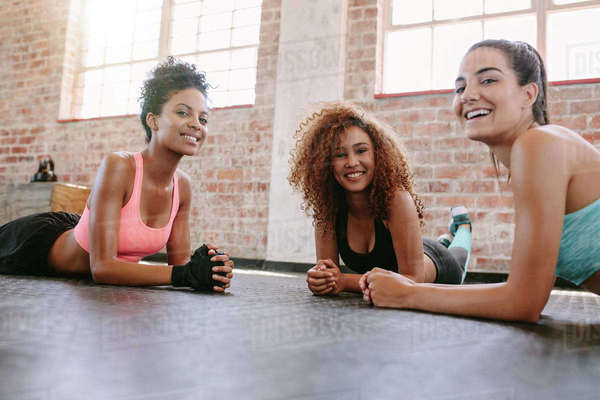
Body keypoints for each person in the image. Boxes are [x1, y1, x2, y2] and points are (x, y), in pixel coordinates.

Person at [360, 39, 600, 322]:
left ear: (528, 94)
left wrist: (407, 293)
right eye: (460, 87)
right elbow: (523, 294)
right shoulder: (539, 149)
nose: (468, 95)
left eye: (488, 80)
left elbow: (524, 302)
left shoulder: (539, 144)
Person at [0, 57, 233, 292]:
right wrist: (185, 274)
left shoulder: (182, 186)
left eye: (203, 119)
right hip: (36, 244)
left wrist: (211, 269)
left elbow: (181, 267)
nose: (196, 124)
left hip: (77, 227)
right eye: (183, 113)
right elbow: (102, 268)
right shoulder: (119, 166)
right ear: (153, 120)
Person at [288, 102, 472, 295]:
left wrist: (343, 281)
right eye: (340, 154)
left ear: (378, 154)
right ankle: (445, 239)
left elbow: (413, 279)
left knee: (458, 252)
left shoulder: (396, 198)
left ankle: (463, 227)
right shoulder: (328, 208)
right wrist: (319, 278)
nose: (351, 162)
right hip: (411, 256)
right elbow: (329, 275)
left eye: (361, 150)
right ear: (326, 163)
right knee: (423, 247)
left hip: (438, 265)